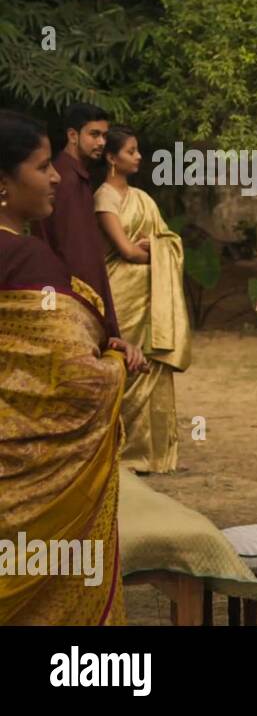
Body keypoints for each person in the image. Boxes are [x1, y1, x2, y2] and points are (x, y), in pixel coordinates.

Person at [0, 110, 128, 624]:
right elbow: (80, 386)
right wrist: (117, 360)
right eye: (39, 166)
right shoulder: (28, 261)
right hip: (33, 490)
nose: (54, 175)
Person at [94, 125, 192, 474]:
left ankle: (151, 452)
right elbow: (127, 251)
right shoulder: (104, 198)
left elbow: (165, 239)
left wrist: (159, 247)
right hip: (121, 292)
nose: (138, 156)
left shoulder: (143, 199)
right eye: (131, 151)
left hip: (151, 295)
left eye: (138, 150)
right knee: (127, 369)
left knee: (152, 365)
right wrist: (153, 249)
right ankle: (122, 451)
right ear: (111, 158)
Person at [32, 102, 145, 372]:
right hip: (76, 306)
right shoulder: (65, 180)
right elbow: (77, 258)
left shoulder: (76, 177)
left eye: (105, 136)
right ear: (73, 136)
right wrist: (103, 323)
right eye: (94, 134)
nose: (101, 142)